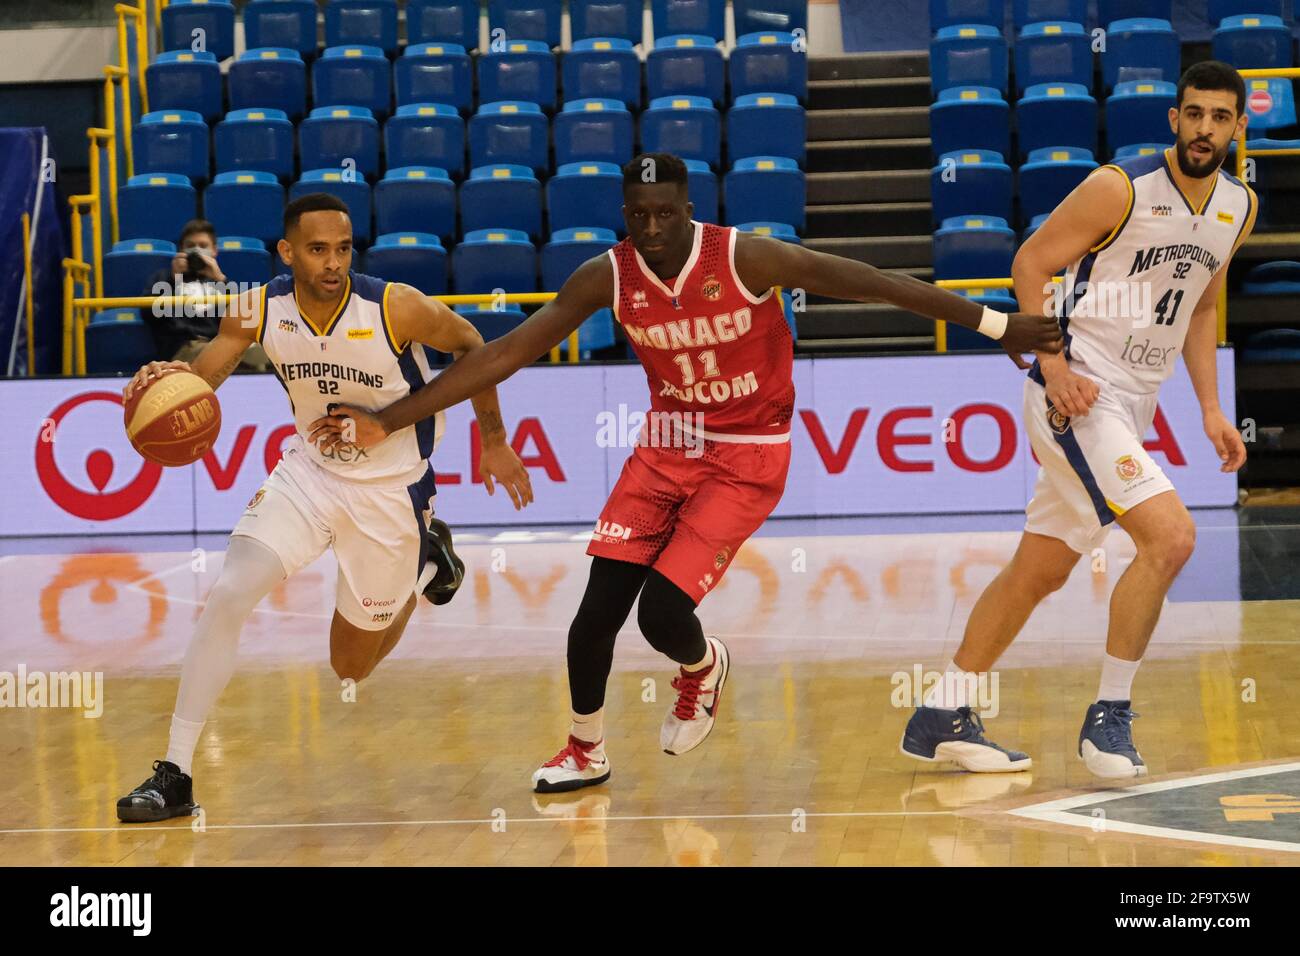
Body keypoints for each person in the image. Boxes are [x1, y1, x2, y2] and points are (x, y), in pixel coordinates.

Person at [308, 152, 1064, 794]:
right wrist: (391, 419)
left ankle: (701, 668)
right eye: (638, 214)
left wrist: (996, 323)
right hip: (665, 447)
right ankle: (585, 749)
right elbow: (505, 351)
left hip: (747, 457)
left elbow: (868, 280)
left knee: (661, 617)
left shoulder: (745, 258)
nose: (651, 229)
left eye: (665, 214)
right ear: (625, 213)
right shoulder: (606, 274)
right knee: (593, 614)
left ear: (688, 209)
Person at [115, 193, 534, 822]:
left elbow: (476, 345)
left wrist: (495, 441)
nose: (333, 262)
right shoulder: (257, 310)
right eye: (317, 250)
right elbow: (200, 384)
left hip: (391, 493)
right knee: (229, 593)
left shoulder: (395, 306)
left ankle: (427, 565)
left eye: (342, 249)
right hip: (307, 476)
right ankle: (175, 772)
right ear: (287, 253)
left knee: (350, 667)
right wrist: (160, 386)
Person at [900, 61, 1255, 779]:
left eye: (1220, 117)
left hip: (1135, 401)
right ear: (1173, 118)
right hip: (1079, 392)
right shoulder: (1118, 187)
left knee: (1040, 569)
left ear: (1238, 127)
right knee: (1172, 538)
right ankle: (1109, 720)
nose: (1204, 129)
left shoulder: (1238, 207)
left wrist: (1212, 409)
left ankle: (942, 712)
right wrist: (1054, 368)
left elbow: (1203, 305)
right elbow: (1030, 264)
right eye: (1194, 114)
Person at [145, 218, 269, 371]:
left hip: (219, 343)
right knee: (231, 353)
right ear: (181, 250)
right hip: (184, 348)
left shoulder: (220, 282)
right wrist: (174, 278)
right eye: (190, 246)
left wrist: (221, 279)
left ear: (214, 251)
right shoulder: (163, 278)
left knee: (251, 351)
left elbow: (246, 317)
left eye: (203, 246)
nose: (196, 250)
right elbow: (149, 314)